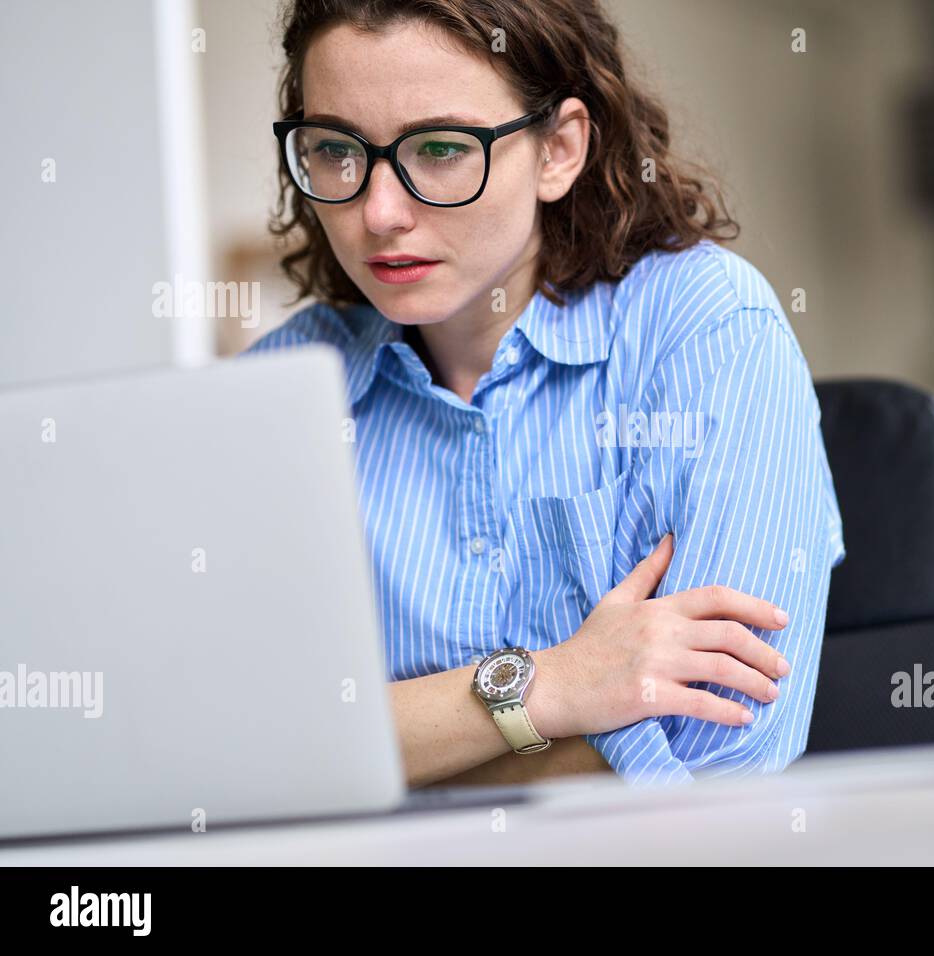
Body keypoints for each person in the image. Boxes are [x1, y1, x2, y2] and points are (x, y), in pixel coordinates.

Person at [245, 0, 846, 787]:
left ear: (558, 149)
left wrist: (387, 757)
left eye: (438, 148)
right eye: (335, 149)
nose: (378, 212)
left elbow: (714, 760)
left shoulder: (706, 329)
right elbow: (241, 753)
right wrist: (552, 685)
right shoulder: (284, 390)